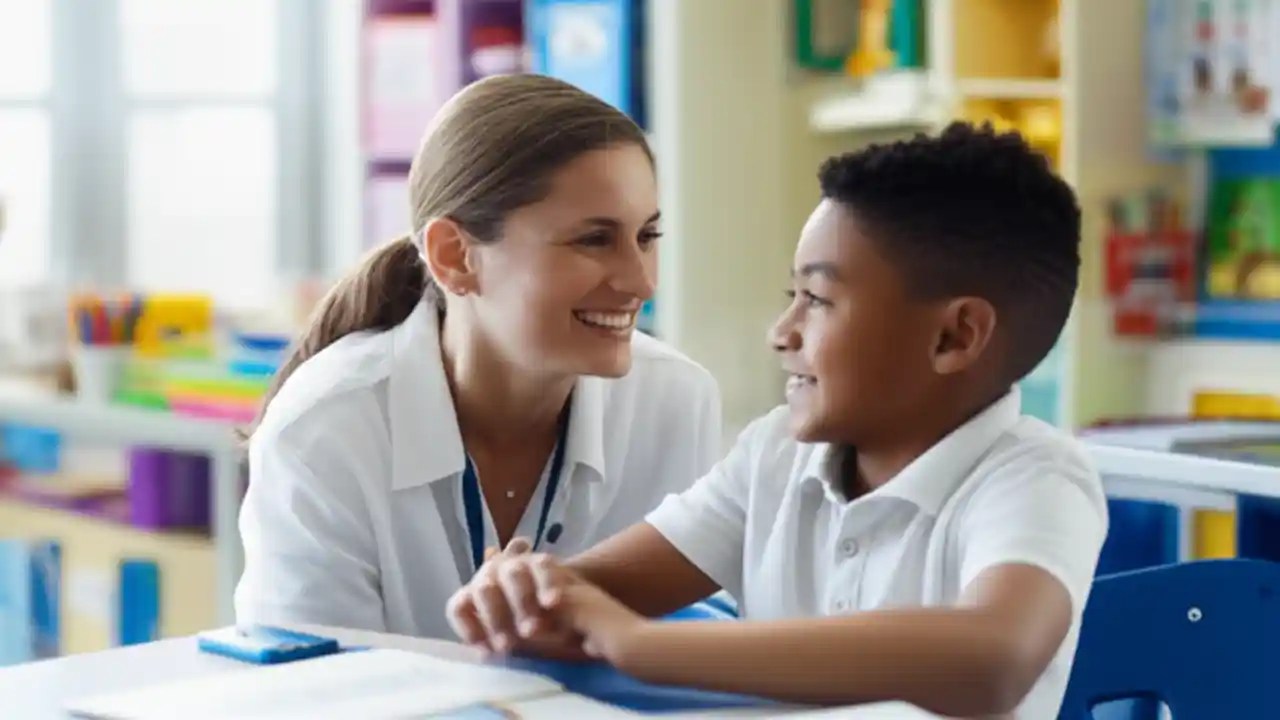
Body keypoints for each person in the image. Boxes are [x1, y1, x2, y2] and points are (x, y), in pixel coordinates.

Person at [447, 123, 1109, 718]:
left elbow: (992, 659)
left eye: (817, 299)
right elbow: (587, 592)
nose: (781, 332)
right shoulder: (776, 455)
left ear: (954, 337)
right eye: (791, 295)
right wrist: (521, 593)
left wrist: (638, 644)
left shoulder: (1035, 479)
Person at [234, 74, 723, 641]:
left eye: (647, 237)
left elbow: (689, 649)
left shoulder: (677, 401)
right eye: (594, 240)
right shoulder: (324, 429)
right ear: (454, 256)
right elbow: (311, 682)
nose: (641, 282)